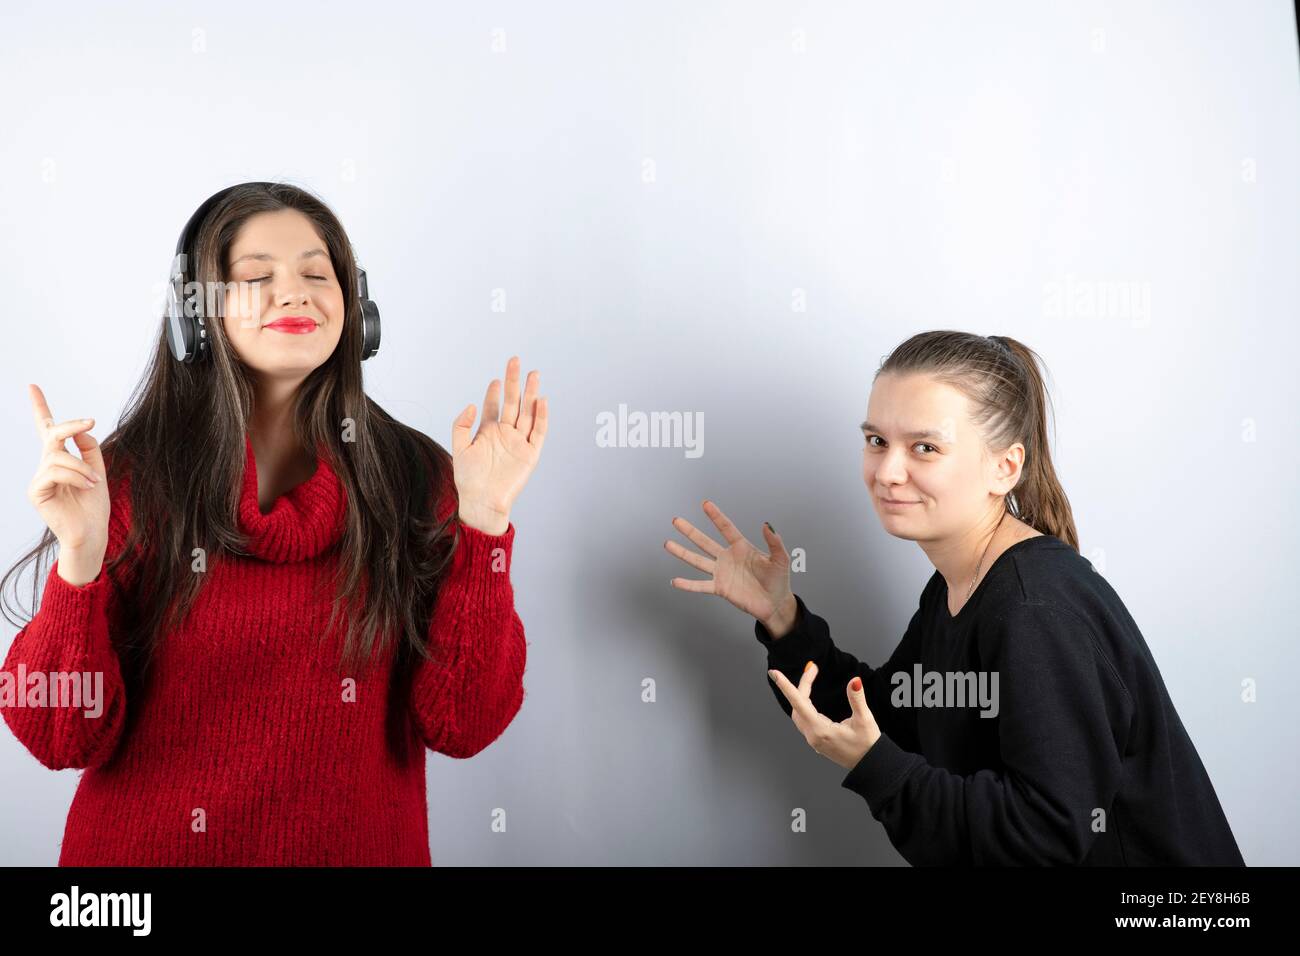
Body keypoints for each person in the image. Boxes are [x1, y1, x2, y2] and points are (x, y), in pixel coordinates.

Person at [1, 181, 548, 865]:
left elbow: (465, 724)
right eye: (256, 278)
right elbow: (57, 737)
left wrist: (485, 522)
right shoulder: (127, 481)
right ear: (195, 317)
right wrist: (79, 556)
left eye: (317, 274)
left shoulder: (417, 478)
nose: (294, 293)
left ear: (358, 310)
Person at [666, 330, 1243, 866]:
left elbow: (1042, 838)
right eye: (876, 441)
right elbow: (889, 719)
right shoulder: (957, 585)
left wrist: (876, 768)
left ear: (1004, 466)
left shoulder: (1034, 609)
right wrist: (783, 618)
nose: (888, 471)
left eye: (924, 448)